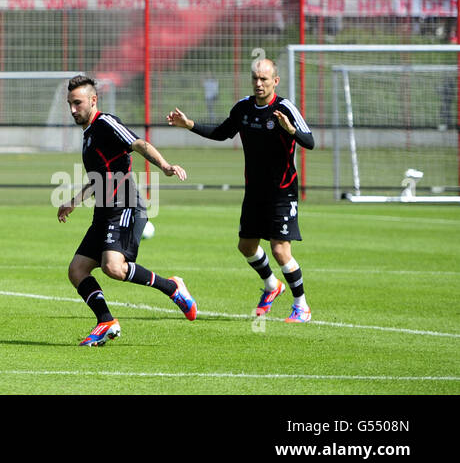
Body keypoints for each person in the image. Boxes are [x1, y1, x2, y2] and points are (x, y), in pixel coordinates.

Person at [167, 57, 316, 323]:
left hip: (282, 191)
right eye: (255, 79)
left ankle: (301, 306)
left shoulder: (285, 108)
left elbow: (310, 142)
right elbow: (223, 132)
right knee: (246, 246)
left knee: (280, 251)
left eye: (264, 79)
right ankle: (272, 285)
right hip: (255, 192)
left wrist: (290, 129)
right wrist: (189, 124)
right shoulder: (243, 108)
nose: (259, 84)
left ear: (275, 81)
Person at [57, 74, 194, 346]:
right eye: (70, 104)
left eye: (78, 103)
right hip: (104, 209)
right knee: (77, 270)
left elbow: (139, 144)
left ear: (93, 100)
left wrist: (165, 166)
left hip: (125, 204)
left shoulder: (106, 123)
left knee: (113, 267)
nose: (73, 109)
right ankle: (106, 321)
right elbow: (100, 175)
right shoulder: (88, 135)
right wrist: (74, 200)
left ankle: (172, 287)